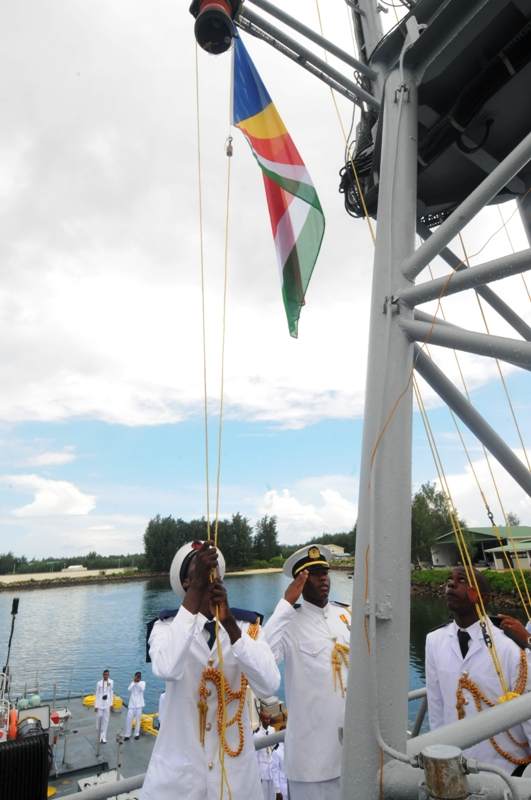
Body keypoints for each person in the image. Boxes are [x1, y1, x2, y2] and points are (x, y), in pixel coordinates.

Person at [142, 540, 280, 800]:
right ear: (186, 582)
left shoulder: (245, 626)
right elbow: (166, 668)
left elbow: (269, 685)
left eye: (210, 564)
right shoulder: (165, 628)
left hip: (236, 781)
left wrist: (230, 625)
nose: (207, 568)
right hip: (181, 783)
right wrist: (196, 590)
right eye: (198, 565)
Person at [264, 545, 350, 800]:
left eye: (324, 571)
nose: (322, 577)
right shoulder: (288, 623)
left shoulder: (346, 615)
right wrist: (286, 603)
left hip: (352, 752)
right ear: (299, 581)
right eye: (313, 573)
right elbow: (264, 658)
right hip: (312, 760)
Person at [426, 566, 531, 774]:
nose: (451, 584)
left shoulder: (510, 647)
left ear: (483, 597)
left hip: (504, 768)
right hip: (456, 765)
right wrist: (439, 753)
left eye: (462, 580)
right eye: (449, 579)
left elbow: (527, 712)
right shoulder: (434, 640)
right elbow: (436, 706)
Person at [253, 708, 276, 800]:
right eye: (266, 719)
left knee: (273, 796)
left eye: (269, 718)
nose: (268, 721)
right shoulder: (256, 735)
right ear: (261, 719)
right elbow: (255, 756)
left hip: (272, 768)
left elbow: (274, 748)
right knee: (264, 796)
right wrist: (258, 775)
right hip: (263, 771)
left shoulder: (272, 730)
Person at [125, 671, 145, 741]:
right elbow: (129, 689)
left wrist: (138, 682)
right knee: (129, 719)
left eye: (139, 676)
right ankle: (127, 734)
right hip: (132, 705)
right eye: (137, 676)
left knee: (138, 720)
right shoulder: (132, 683)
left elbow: (142, 689)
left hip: (139, 705)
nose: (138, 678)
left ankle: (136, 734)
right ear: (135, 676)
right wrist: (134, 682)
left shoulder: (142, 683)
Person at [94, 669, 113, 744]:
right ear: (103, 675)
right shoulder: (99, 683)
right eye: (105, 674)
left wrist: (111, 704)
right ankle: (98, 736)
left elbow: (111, 692)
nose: (106, 676)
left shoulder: (111, 682)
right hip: (100, 704)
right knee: (99, 720)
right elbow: (97, 694)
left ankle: (103, 736)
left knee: (106, 720)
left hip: (107, 704)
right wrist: (96, 706)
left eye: (107, 674)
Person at [271, 726, 287, 800]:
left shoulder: (291, 746)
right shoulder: (277, 751)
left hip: (293, 785)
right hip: (283, 787)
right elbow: (275, 771)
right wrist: (278, 791)